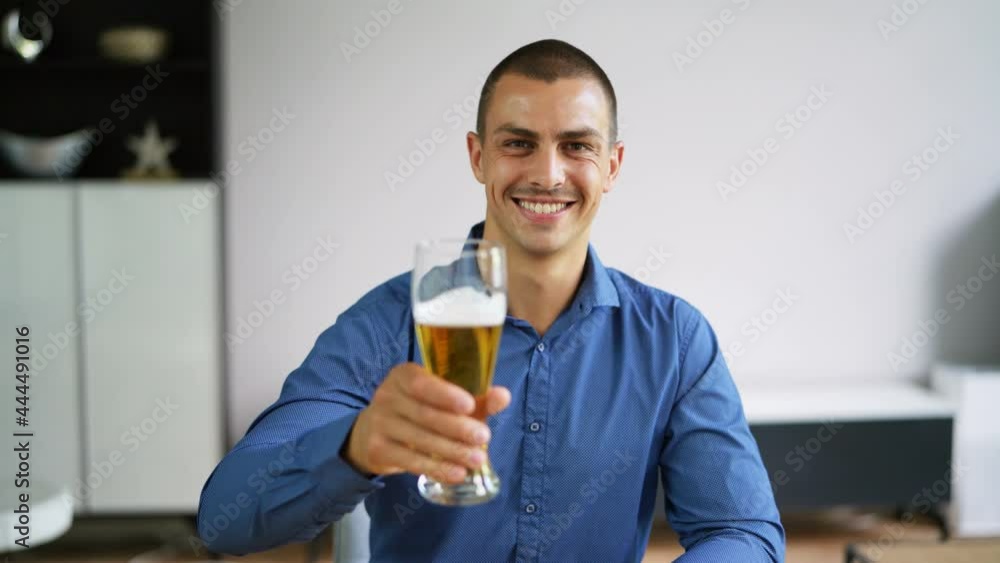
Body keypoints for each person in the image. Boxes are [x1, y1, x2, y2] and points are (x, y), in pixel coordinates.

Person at [197, 38, 785, 562]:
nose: (548, 174)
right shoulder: (386, 325)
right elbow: (224, 519)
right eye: (519, 143)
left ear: (612, 165)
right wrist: (353, 448)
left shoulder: (675, 339)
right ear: (479, 157)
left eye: (576, 145)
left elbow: (743, 533)